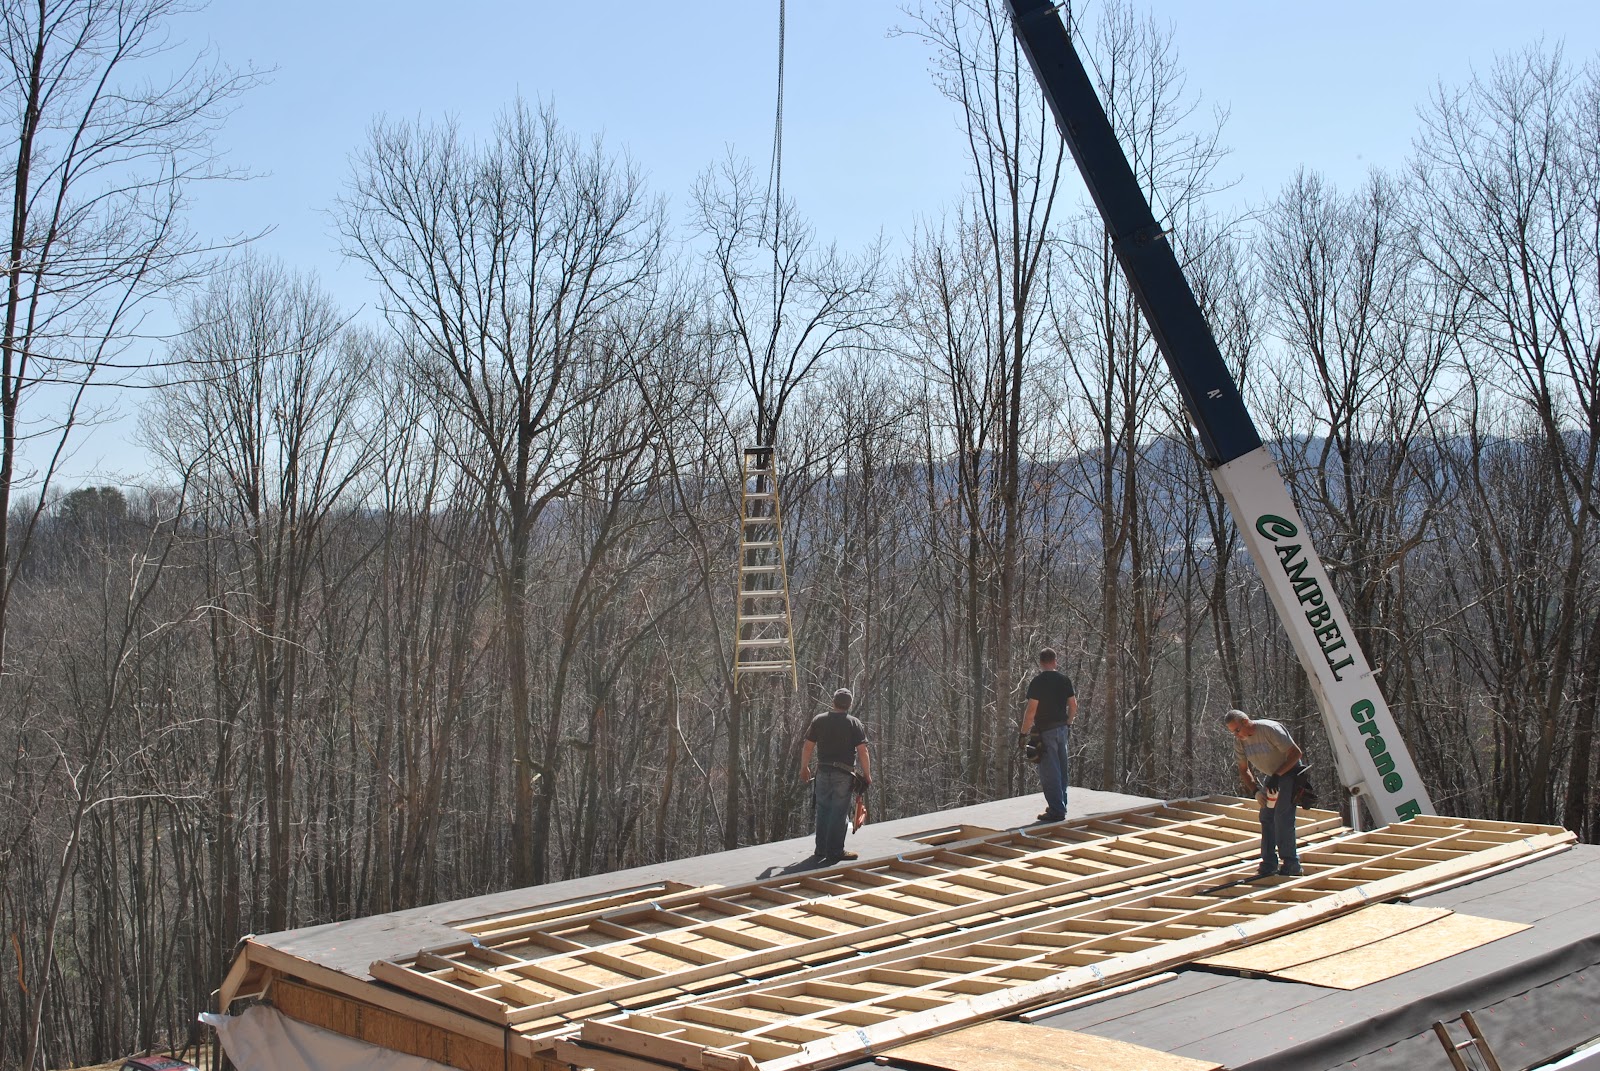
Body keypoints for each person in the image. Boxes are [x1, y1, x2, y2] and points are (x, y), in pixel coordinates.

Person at [1225, 708, 1305, 877]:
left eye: (1237, 730)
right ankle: (1269, 863)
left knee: (1282, 817)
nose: (1236, 735)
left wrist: (1278, 775)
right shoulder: (1240, 742)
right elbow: (1243, 769)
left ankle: (1291, 864)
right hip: (1273, 777)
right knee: (1266, 816)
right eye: (1233, 732)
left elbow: (1296, 753)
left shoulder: (1270, 729)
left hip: (1290, 772)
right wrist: (1255, 791)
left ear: (1246, 722)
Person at [800, 688, 871, 864]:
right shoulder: (853, 723)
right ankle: (835, 851)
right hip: (843, 774)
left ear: (833, 702)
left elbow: (808, 746)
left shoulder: (819, 720)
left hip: (823, 772)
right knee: (839, 812)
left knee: (823, 810)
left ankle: (821, 849)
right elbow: (863, 751)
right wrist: (867, 774)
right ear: (849, 705)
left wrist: (804, 767)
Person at [1020, 648, 1077, 823]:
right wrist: (1068, 723)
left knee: (1049, 772)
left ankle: (1056, 811)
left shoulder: (1038, 682)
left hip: (1046, 732)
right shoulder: (1064, 680)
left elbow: (1031, 711)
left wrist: (1023, 733)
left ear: (1041, 662)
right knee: (1061, 769)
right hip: (1062, 729)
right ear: (1055, 661)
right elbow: (1073, 705)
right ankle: (1060, 805)